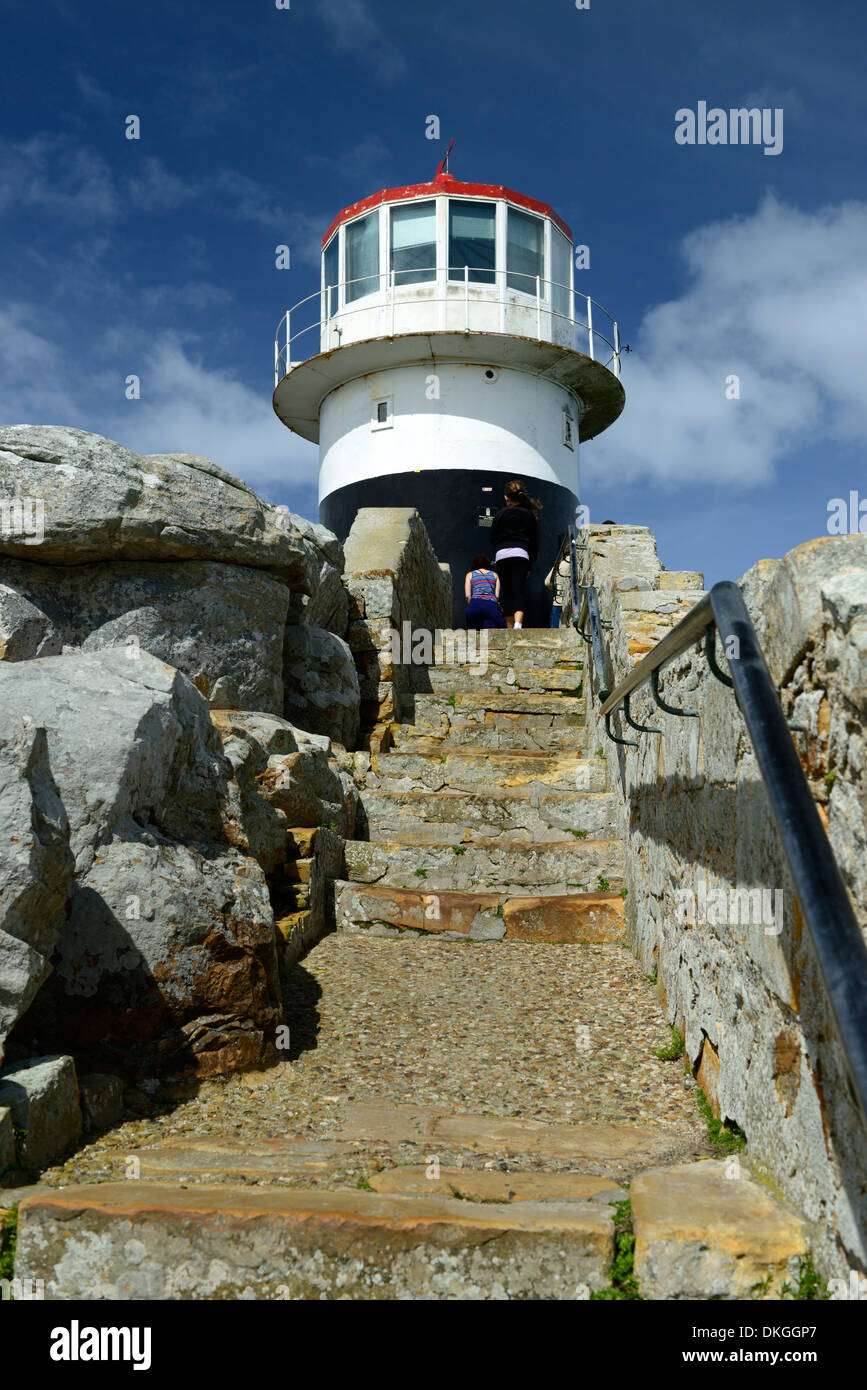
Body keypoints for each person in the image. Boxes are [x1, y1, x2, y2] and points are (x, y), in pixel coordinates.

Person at [489, 479, 541, 629]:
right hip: (521, 554)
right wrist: (530, 564)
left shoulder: (500, 514)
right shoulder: (529, 515)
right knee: (519, 590)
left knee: (506, 592)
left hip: (502, 555)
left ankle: (508, 625)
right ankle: (518, 624)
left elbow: (492, 538)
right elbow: (534, 542)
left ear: (506, 497)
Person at [465, 553, 506, 629]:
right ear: (487, 564)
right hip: (490, 606)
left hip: (475, 604)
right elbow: (496, 596)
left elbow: (467, 596)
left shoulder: (470, 575)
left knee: (473, 634)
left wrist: (471, 606)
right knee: (489, 632)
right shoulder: (494, 575)